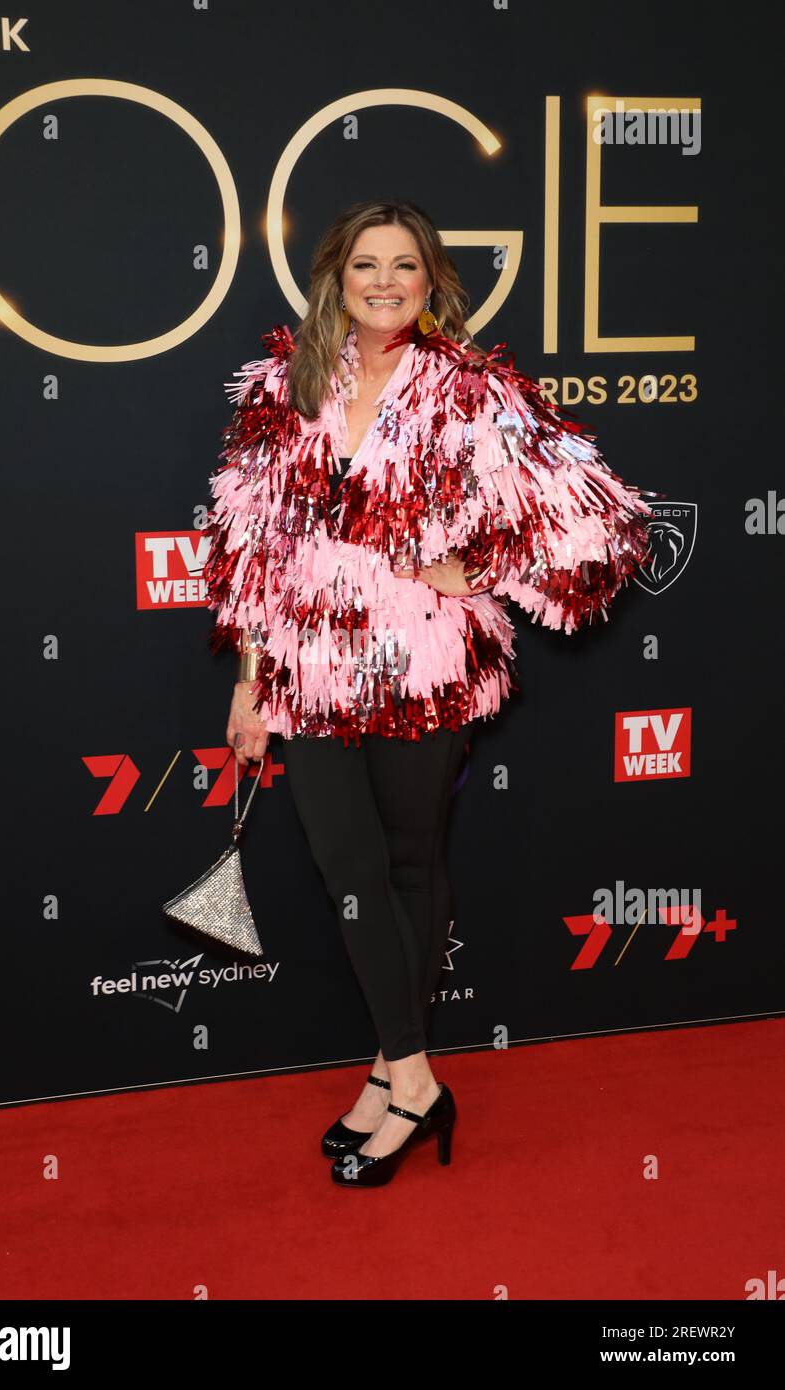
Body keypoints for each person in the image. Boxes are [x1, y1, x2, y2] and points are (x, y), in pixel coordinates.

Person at [199, 199, 655, 1188]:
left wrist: (477, 565)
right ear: (334, 274)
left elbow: (599, 520)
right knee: (346, 864)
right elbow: (250, 544)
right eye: (366, 263)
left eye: (403, 266)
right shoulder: (282, 384)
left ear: (430, 281)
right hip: (310, 666)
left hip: (422, 664)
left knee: (410, 863)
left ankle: (384, 1072)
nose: (383, 281)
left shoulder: (469, 388)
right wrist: (248, 683)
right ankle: (415, 1077)